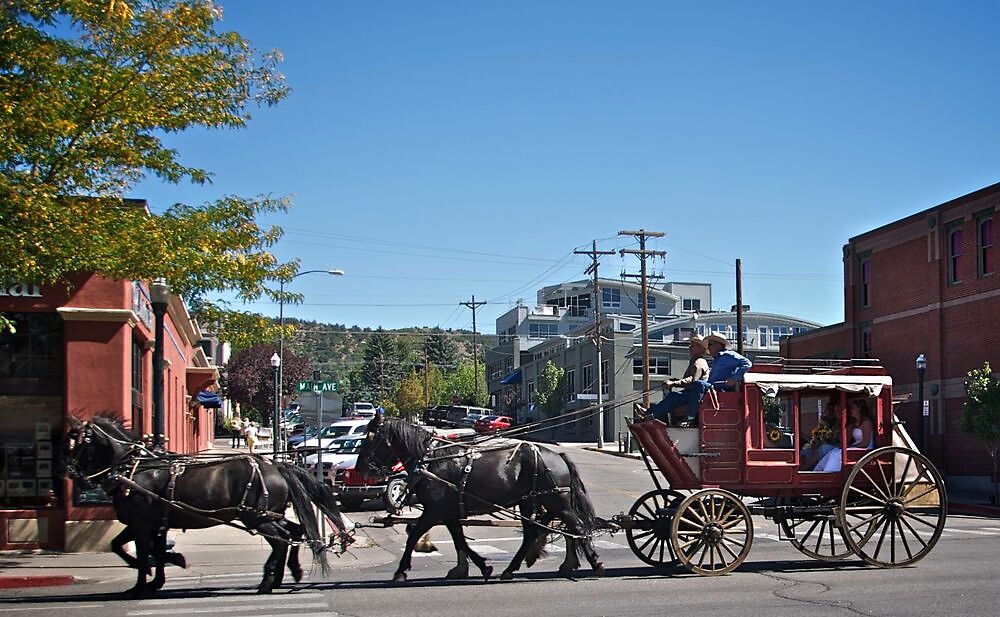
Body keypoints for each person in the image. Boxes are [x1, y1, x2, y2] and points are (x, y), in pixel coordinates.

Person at [637, 335, 711, 427]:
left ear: (700, 348)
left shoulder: (699, 362)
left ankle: (650, 413)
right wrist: (674, 381)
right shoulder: (695, 361)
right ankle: (651, 413)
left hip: (694, 395)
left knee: (673, 398)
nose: (690, 347)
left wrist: (673, 383)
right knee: (671, 398)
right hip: (691, 393)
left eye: (693, 345)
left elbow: (692, 380)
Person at [813, 398, 875, 472]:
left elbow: (865, 443)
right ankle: (819, 472)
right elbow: (849, 438)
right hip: (856, 446)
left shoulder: (866, 423)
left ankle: (829, 472)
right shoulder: (855, 422)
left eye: (853, 408)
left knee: (837, 454)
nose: (851, 410)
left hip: (865, 449)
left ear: (859, 409)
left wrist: (850, 447)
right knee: (833, 451)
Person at [800, 396, 841, 469]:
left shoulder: (839, 423)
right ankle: (800, 468)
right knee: (806, 451)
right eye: (827, 410)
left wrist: (829, 439)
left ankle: (807, 467)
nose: (828, 412)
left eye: (831, 410)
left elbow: (839, 438)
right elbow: (818, 432)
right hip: (824, 443)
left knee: (823, 448)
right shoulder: (824, 421)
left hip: (836, 446)